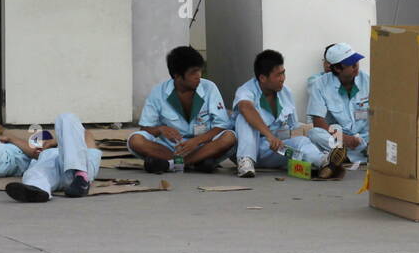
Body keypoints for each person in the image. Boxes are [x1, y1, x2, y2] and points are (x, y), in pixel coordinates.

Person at [232, 49, 344, 179]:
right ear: (262, 78)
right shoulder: (246, 90)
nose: (282, 79)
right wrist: (269, 136)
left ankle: (324, 162)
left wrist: (304, 137)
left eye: (283, 73)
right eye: (278, 75)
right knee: (244, 118)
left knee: (302, 141)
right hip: (248, 147)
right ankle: (246, 162)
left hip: (275, 149)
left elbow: (293, 126)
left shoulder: (286, 92)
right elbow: (245, 107)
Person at [128, 46, 236, 174]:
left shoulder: (209, 88)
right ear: (177, 76)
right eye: (193, 72)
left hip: (202, 146)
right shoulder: (158, 92)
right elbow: (145, 129)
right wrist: (160, 129)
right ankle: (195, 162)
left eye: (199, 71)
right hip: (170, 148)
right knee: (135, 140)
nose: (198, 76)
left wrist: (196, 141)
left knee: (229, 137)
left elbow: (222, 126)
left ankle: (171, 164)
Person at [7, 113, 104, 202]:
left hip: (77, 167)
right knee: (35, 171)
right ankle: (38, 190)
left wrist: (56, 140)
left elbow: (85, 134)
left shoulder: (78, 144)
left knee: (66, 117)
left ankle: (81, 177)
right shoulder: (45, 153)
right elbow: (33, 152)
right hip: (53, 170)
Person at [307, 42, 371, 165]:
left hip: (365, 138)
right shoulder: (320, 85)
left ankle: (346, 155)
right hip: (339, 137)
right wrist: (344, 138)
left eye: (356, 61)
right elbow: (318, 122)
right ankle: (346, 154)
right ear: (337, 68)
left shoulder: (368, 80)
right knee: (314, 133)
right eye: (351, 64)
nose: (356, 66)